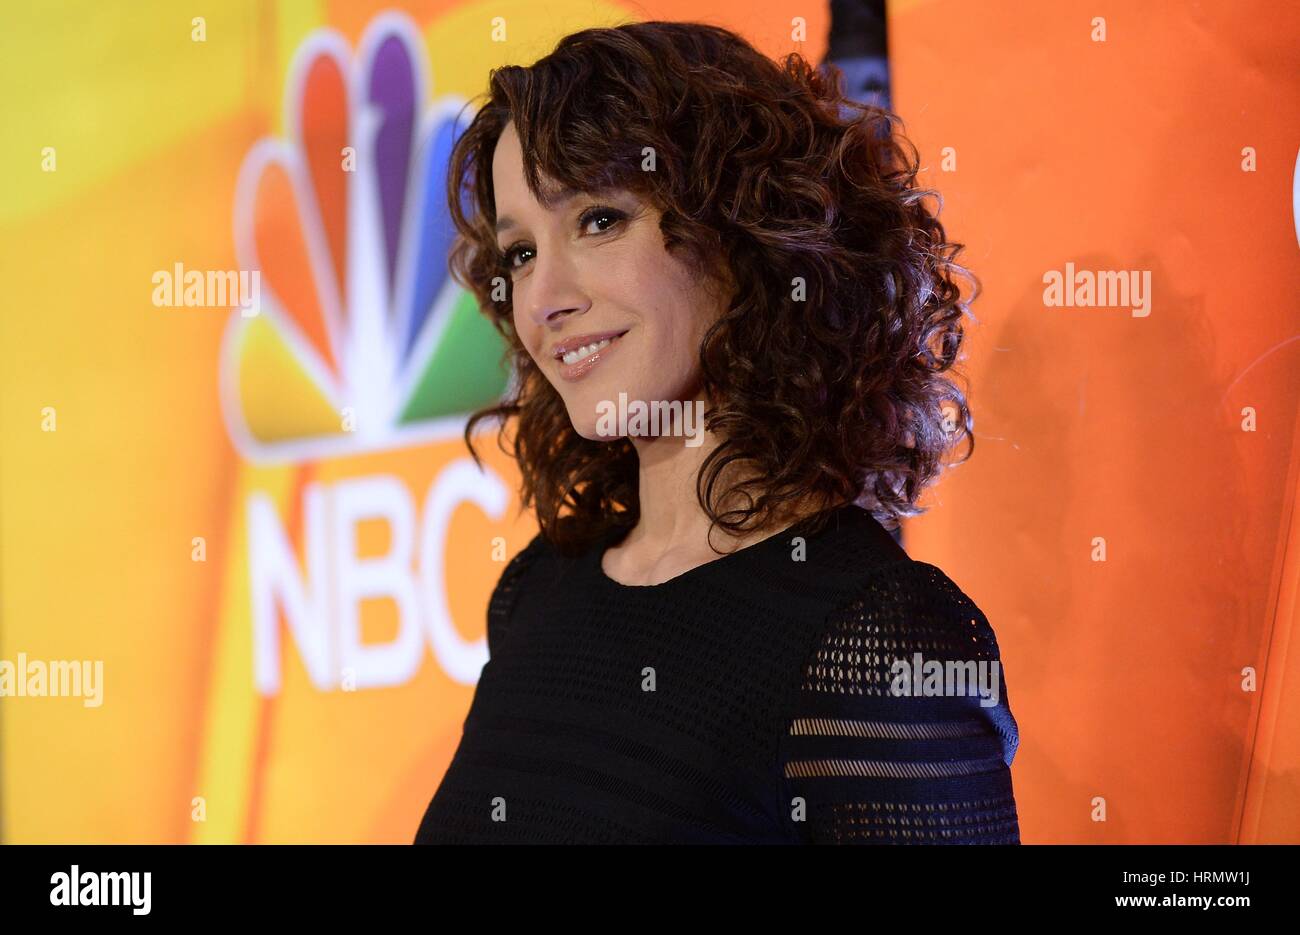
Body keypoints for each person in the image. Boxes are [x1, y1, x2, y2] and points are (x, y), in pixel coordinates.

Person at [414, 20, 1020, 844]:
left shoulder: (874, 641)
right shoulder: (534, 594)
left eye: (598, 219)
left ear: (745, 228)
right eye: (519, 252)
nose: (544, 296)